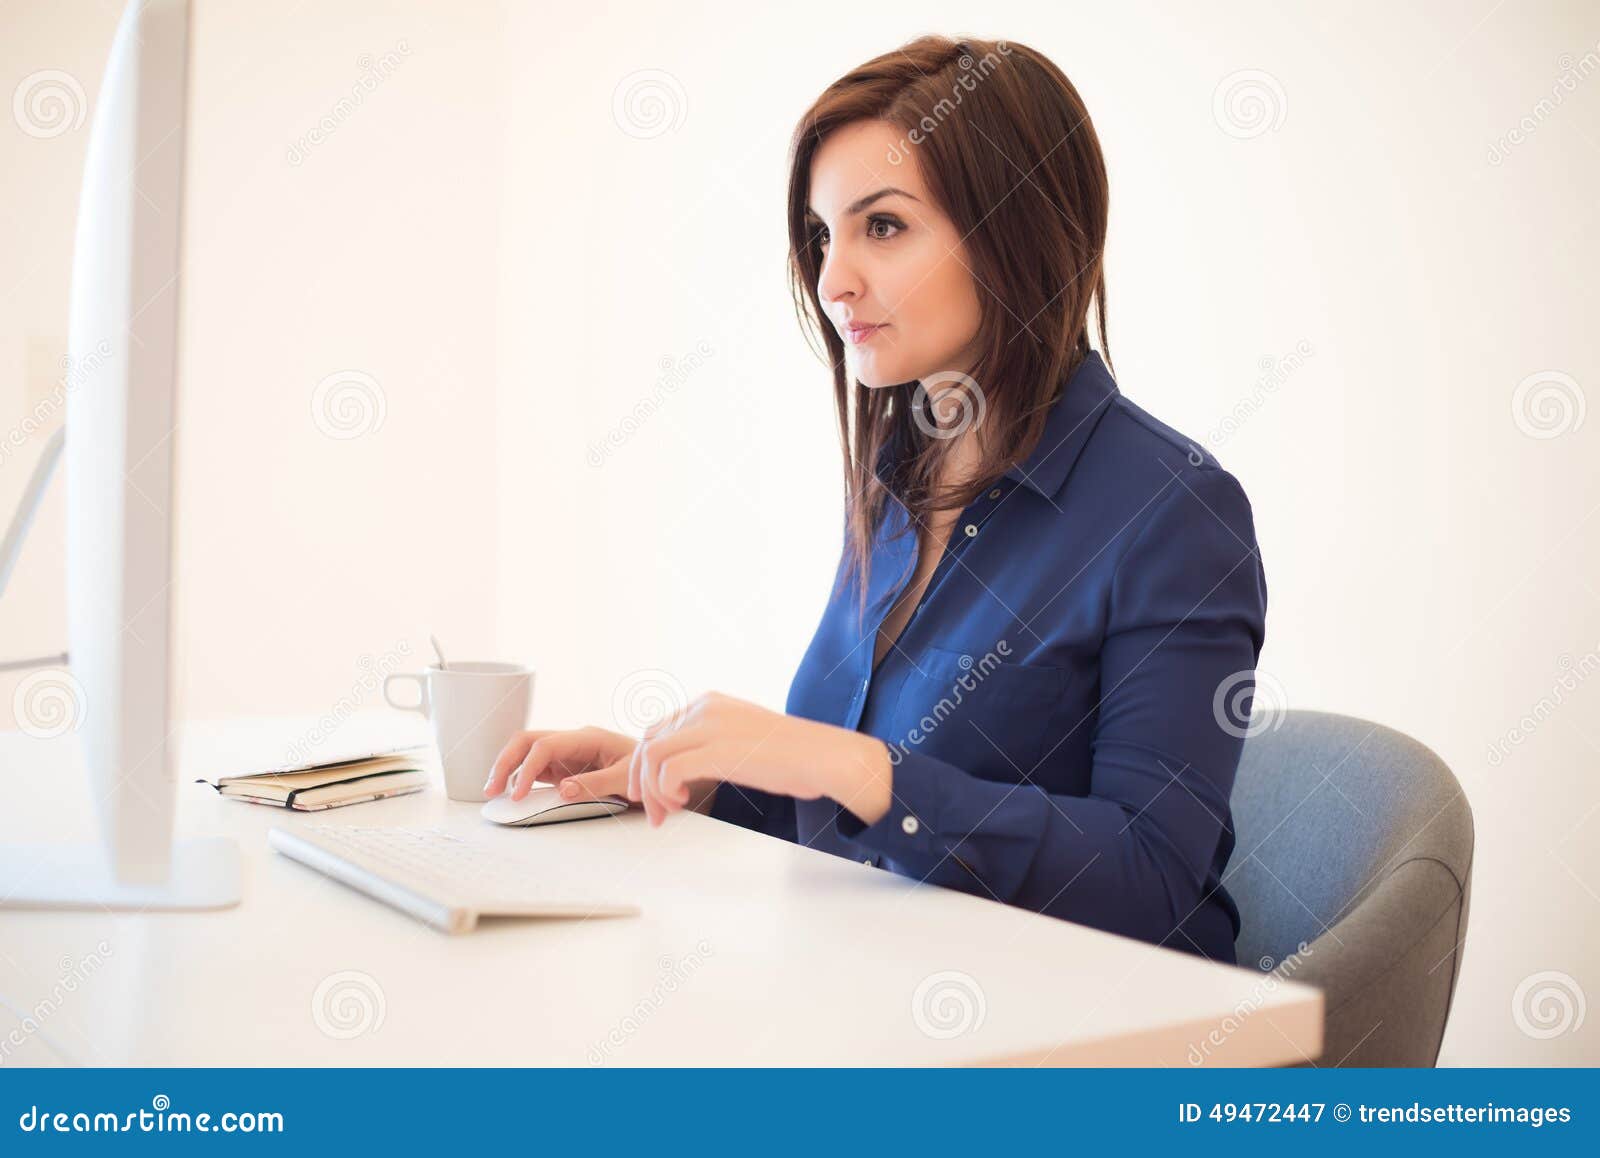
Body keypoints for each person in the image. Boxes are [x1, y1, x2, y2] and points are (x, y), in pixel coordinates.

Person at [484, 35, 1266, 964]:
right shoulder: (899, 482)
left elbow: (1154, 881)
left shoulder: (1175, 512)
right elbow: (861, 816)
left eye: (883, 227)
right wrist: (694, 776)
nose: (832, 282)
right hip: (879, 984)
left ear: (1018, 230)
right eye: (823, 236)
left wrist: (858, 768)